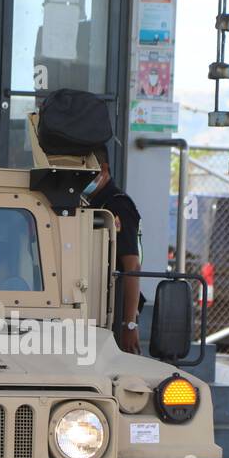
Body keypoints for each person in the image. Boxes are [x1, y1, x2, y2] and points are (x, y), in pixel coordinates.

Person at [83, 147, 142, 353]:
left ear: (103, 169)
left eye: (86, 170)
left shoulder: (117, 206)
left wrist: (129, 323)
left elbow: (132, 266)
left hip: (113, 313)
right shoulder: (92, 204)